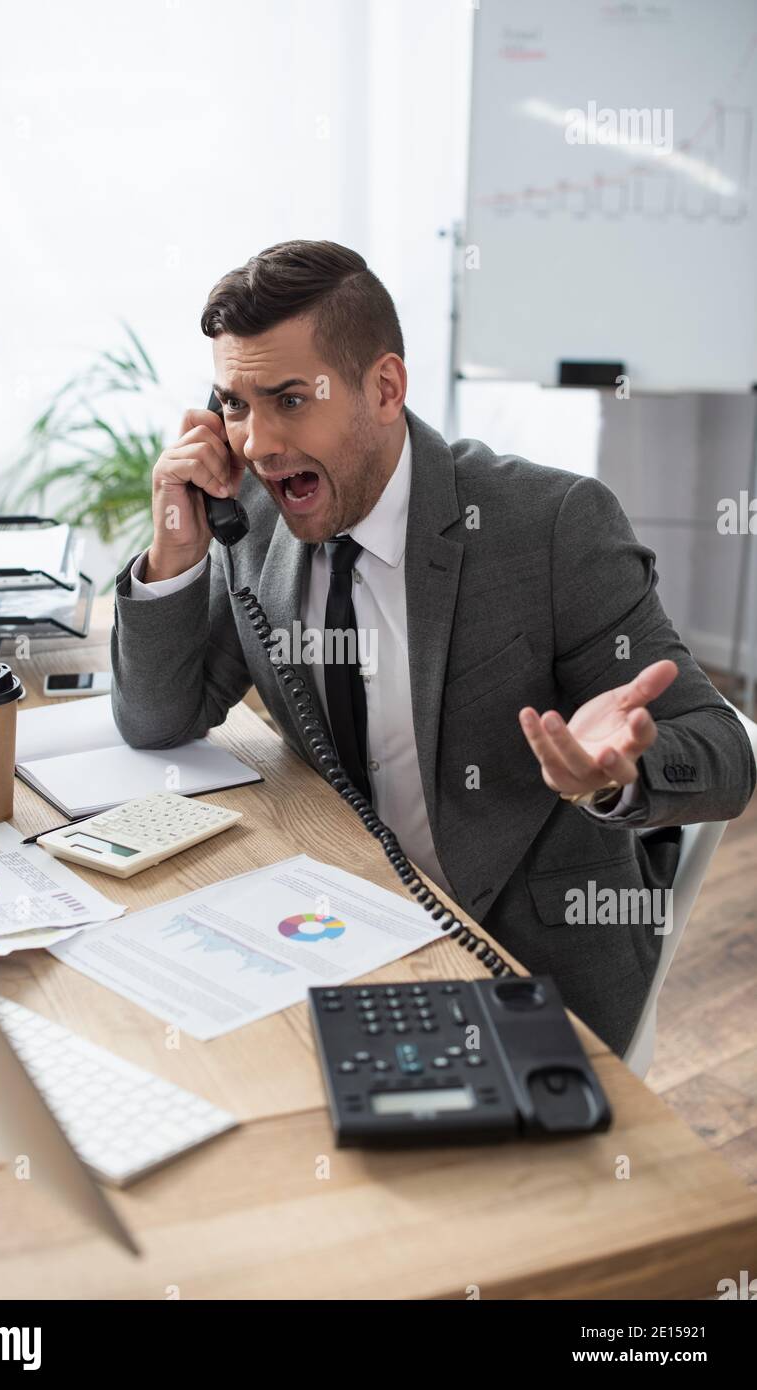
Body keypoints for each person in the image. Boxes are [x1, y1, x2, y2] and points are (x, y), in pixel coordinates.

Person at [110, 239, 755, 1057]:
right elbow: (157, 716)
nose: (258, 444)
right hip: (337, 922)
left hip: (524, 956)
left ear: (383, 389)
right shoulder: (253, 519)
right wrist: (174, 541)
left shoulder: (548, 526)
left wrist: (618, 774)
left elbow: (726, 754)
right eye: (234, 405)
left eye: (288, 400)